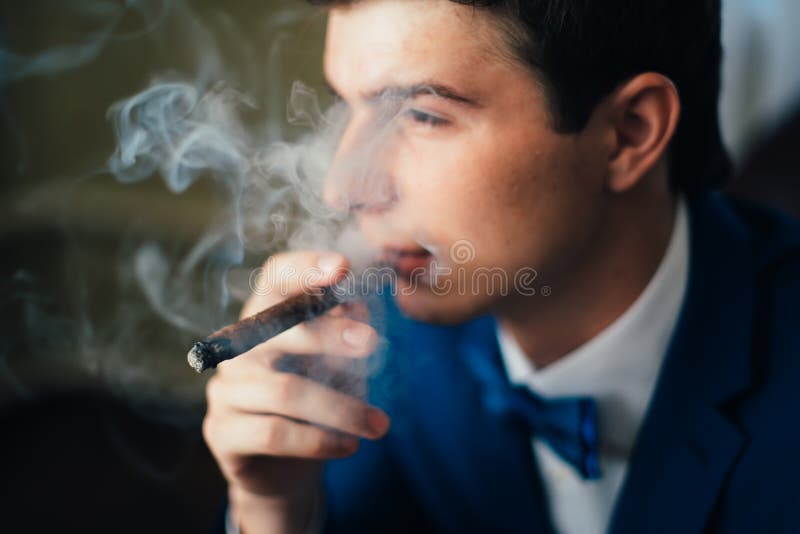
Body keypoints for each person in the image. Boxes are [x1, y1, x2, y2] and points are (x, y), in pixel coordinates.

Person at [202, 1, 800, 532]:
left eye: (422, 115)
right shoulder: (370, 346)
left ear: (627, 132)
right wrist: (274, 508)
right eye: (346, 107)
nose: (343, 187)